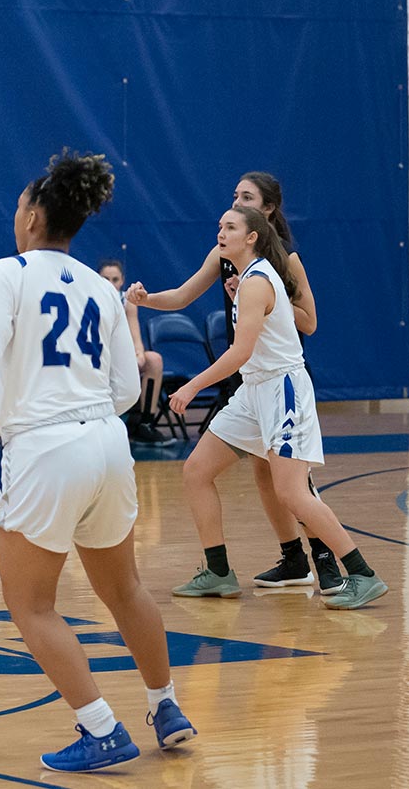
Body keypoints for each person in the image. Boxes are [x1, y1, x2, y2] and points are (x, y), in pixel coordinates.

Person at [0, 151, 194, 772]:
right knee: (124, 589)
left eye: (20, 203)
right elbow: (127, 391)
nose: (15, 212)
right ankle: (168, 706)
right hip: (107, 442)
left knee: (32, 606)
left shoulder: (5, 273)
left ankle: (99, 728)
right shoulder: (100, 286)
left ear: (34, 216)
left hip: (45, 448)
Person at [156, 206, 386, 611]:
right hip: (253, 390)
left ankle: (362, 573)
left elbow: (240, 351)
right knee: (196, 471)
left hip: (283, 389)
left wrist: (193, 385)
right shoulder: (246, 281)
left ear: (252, 237)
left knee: (291, 492)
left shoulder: (258, 282)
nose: (220, 233)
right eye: (219, 226)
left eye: (230, 227)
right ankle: (219, 571)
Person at [125, 171, 335, 592]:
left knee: (293, 483)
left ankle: (328, 563)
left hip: (282, 375)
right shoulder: (225, 254)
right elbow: (184, 295)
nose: (236, 203)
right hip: (249, 377)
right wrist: (147, 301)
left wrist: (260, 298)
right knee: (261, 476)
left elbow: (309, 323)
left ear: (268, 211)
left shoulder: (284, 261)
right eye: (235, 195)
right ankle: (292, 559)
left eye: (247, 197)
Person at [94, 259, 166, 445]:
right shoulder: (91, 298)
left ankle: (145, 423)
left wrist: (139, 355)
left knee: (154, 360)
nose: (110, 283)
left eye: (115, 279)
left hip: (122, 355)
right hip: (98, 355)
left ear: (122, 281)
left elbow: (135, 335)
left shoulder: (127, 301)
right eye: (105, 278)